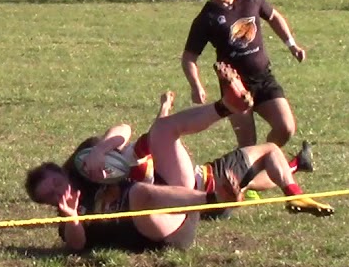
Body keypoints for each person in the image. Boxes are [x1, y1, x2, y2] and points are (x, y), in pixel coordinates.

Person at [24, 72, 333, 253]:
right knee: (138, 195)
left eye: (54, 184)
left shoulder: (83, 165)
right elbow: (76, 246)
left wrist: (101, 149)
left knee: (161, 129)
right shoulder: (68, 216)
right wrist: (72, 218)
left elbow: (123, 130)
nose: (56, 193)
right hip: (168, 231)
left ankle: (225, 106)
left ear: (60, 170)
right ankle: (214, 200)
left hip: (186, 186)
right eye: (48, 197)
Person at [182, 0, 306, 151]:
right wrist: (195, 86)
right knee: (247, 145)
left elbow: (274, 17)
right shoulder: (206, 18)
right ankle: (250, 169)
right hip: (235, 86)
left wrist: (292, 45)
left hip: (263, 78)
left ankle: (263, 160)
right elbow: (189, 58)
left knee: (286, 128)